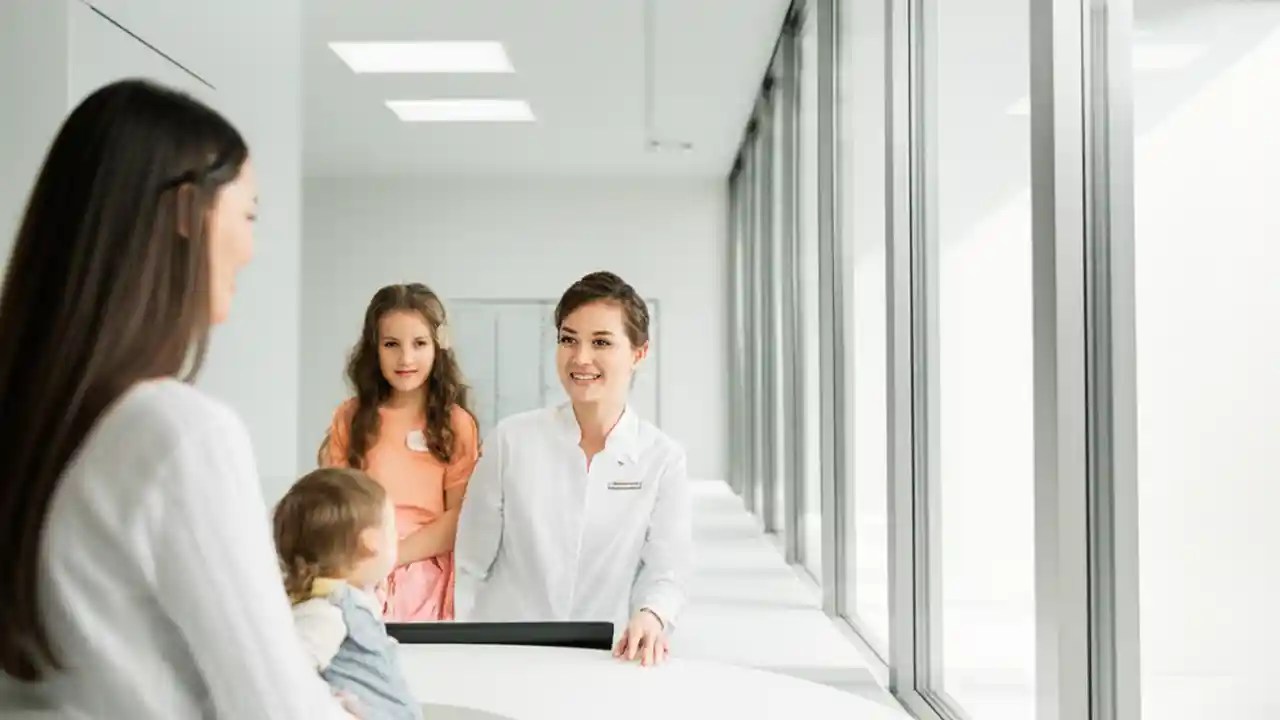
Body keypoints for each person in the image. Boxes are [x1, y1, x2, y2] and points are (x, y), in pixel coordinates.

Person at [0, 79, 352, 717]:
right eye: (247, 215)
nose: (251, 248)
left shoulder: (30, 425)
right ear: (188, 213)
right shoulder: (175, 433)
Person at [454, 271, 692, 667]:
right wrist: (464, 646)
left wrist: (652, 615)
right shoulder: (512, 440)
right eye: (569, 339)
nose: (581, 358)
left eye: (601, 342)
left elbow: (668, 569)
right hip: (503, 655)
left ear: (639, 352)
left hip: (606, 658)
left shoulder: (662, 459)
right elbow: (469, 563)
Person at [321, 283, 480, 622]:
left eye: (419, 344)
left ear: (437, 348)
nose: (406, 358)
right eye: (391, 344)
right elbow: (335, 508)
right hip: (359, 572)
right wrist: (366, 564)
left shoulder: (457, 424)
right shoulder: (349, 417)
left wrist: (394, 557)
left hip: (429, 580)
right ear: (374, 349)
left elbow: (461, 518)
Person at [274, 468, 423, 720]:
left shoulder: (352, 603)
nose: (397, 536)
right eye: (392, 528)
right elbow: (288, 676)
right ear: (371, 542)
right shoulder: (326, 612)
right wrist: (328, 705)